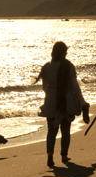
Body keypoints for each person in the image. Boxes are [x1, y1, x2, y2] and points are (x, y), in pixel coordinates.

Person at [36, 41, 90, 169]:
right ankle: (64, 155)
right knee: (65, 130)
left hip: (50, 101)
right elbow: (74, 85)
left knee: (51, 130)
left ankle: (50, 154)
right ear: (64, 52)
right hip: (65, 101)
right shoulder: (68, 66)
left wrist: (52, 95)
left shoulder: (46, 67)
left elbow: (44, 87)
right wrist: (82, 101)